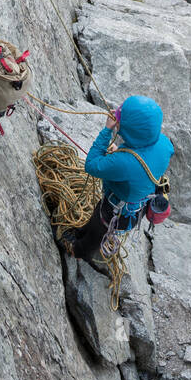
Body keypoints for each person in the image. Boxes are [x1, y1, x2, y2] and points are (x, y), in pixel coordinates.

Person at [65, 95, 174, 260]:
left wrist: (107, 130)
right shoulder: (164, 144)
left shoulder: (124, 163)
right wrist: (123, 152)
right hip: (133, 209)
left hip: (115, 211)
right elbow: (142, 162)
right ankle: (80, 233)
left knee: (96, 232)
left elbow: (91, 165)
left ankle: (78, 251)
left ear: (131, 130)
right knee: (95, 222)